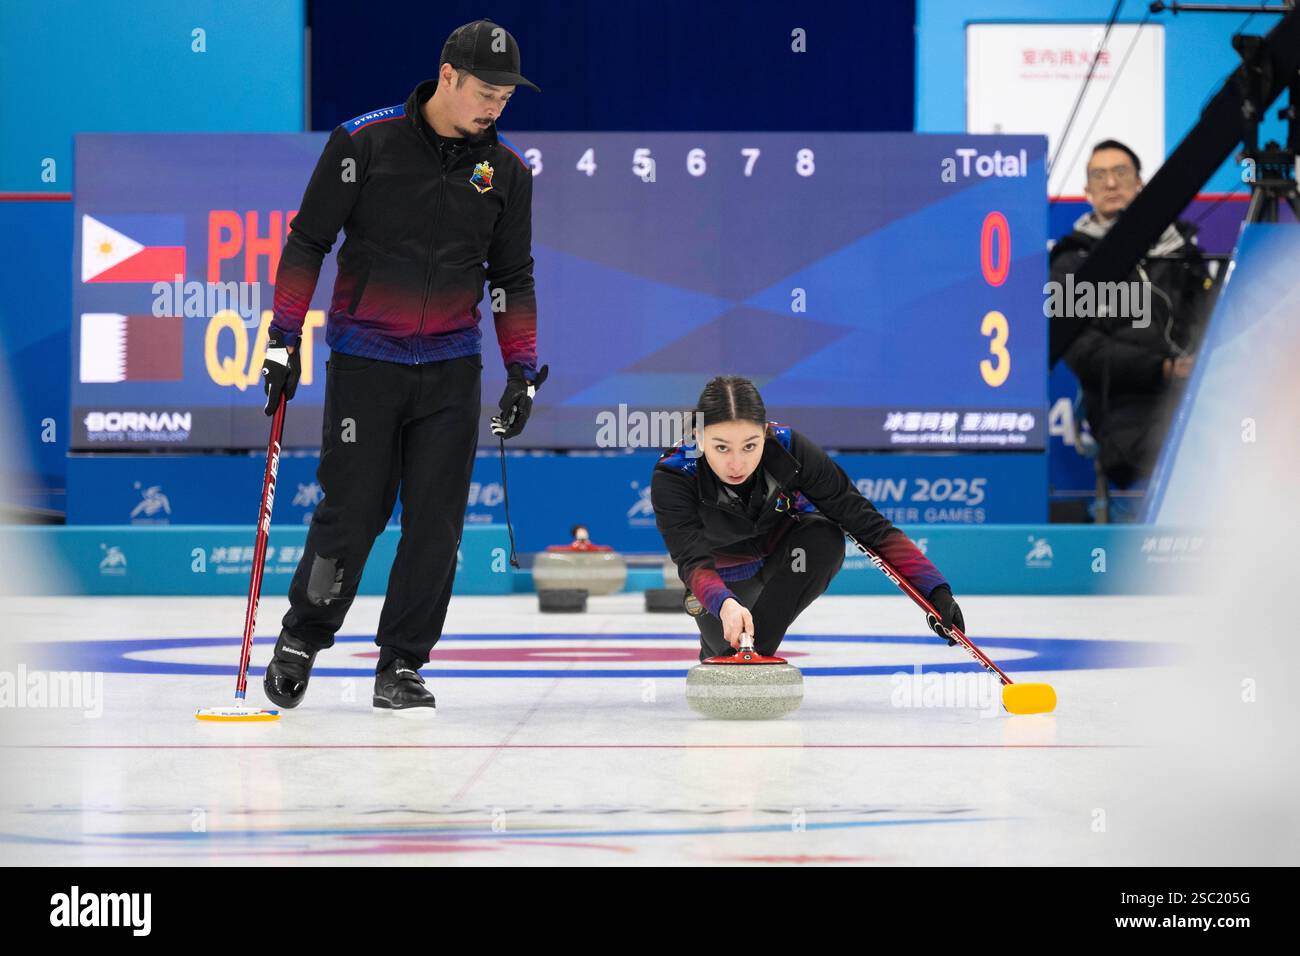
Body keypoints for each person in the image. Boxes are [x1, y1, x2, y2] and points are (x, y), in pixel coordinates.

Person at [259, 19, 546, 712]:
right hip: (367, 362)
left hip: (452, 369)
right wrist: (282, 338)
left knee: (437, 525)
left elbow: (512, 277)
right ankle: (303, 636)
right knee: (351, 514)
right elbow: (307, 244)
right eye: (485, 91)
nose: (495, 106)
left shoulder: (504, 171)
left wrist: (521, 368)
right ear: (447, 76)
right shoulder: (363, 143)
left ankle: (402, 664)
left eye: (506, 96)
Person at [651, 376, 964, 661]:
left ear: (766, 433)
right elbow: (693, 562)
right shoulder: (675, 474)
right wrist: (724, 604)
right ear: (698, 437)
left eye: (750, 446)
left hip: (785, 563)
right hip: (721, 577)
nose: (737, 463)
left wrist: (935, 590)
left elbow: (867, 523)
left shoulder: (791, 451)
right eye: (721, 447)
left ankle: (754, 653)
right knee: (719, 653)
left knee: (824, 537)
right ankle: (727, 647)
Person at [1050, 140, 1213, 489]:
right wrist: (1163, 369)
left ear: (1140, 183)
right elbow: (1082, 351)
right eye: (1099, 176)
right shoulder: (1070, 263)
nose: (1111, 183)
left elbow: (1211, 321)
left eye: (1121, 172)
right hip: (1126, 409)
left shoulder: (1182, 252)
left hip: (1202, 400)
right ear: (1087, 192)